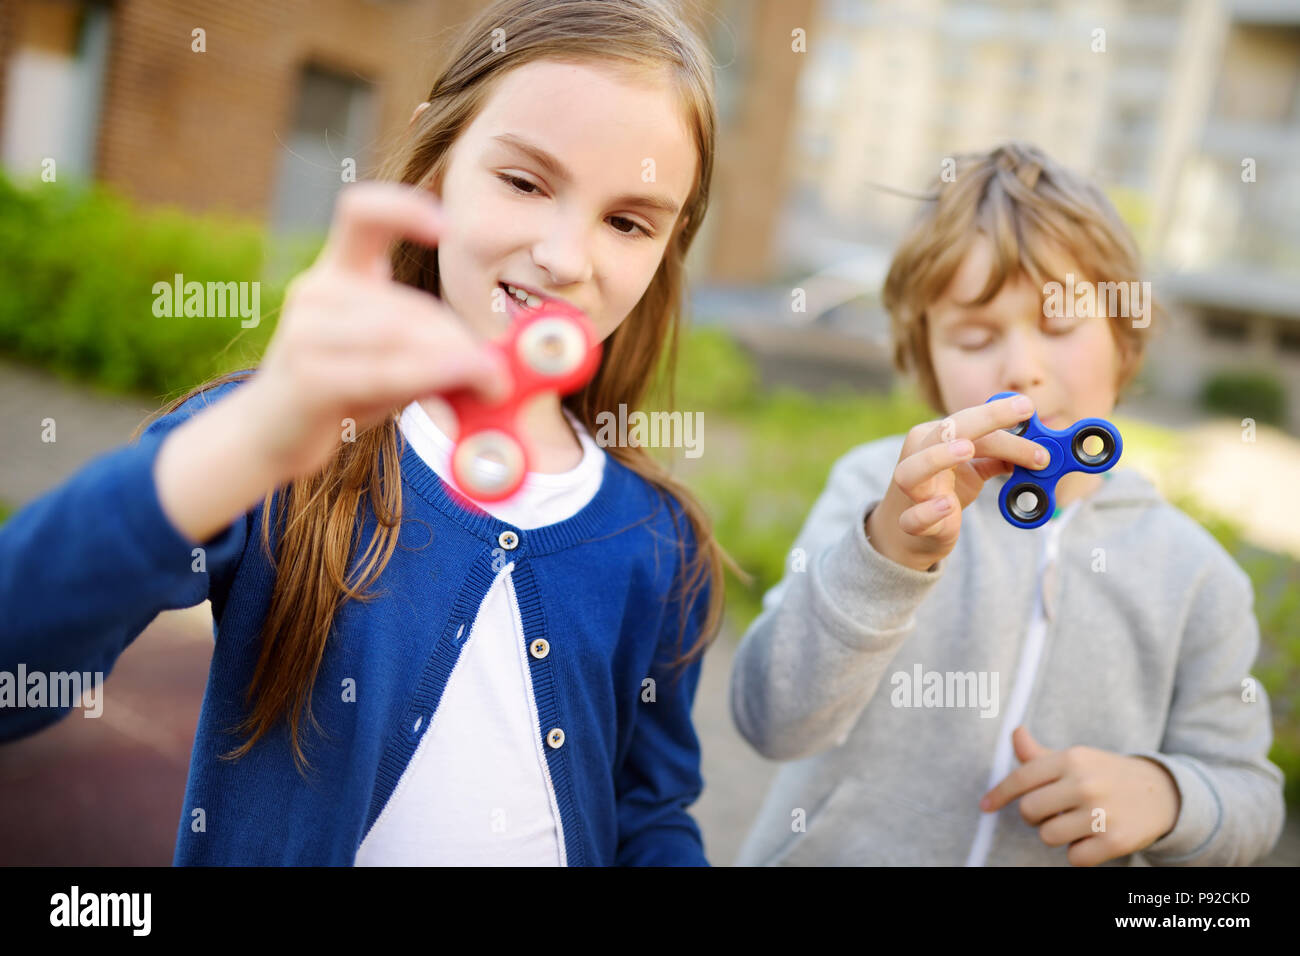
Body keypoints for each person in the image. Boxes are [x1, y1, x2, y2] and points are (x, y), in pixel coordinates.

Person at [0, 0, 727, 866]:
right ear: (436, 160)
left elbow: (649, 816)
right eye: (525, 182)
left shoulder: (661, 540)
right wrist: (254, 439)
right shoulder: (284, 443)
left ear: (671, 242)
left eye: (628, 221)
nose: (567, 257)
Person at [730, 141, 1285, 866]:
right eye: (974, 336)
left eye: (1058, 326)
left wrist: (1167, 794)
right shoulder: (875, 491)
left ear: (1124, 338)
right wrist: (886, 559)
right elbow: (771, 720)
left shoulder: (1196, 578)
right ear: (924, 360)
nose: (1021, 367)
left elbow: (1252, 799)